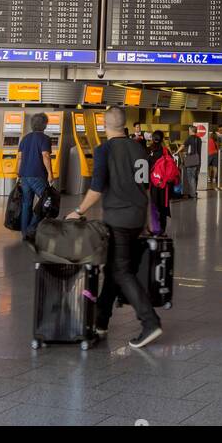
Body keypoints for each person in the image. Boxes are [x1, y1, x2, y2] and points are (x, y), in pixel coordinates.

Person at [69, 106, 162, 349]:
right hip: (136, 218)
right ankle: (100, 322)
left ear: (104, 124)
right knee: (113, 269)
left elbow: (97, 188)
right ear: (124, 123)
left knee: (121, 272)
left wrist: (78, 211)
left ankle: (150, 322)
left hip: (118, 220)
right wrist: (150, 220)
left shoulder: (104, 149)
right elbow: (146, 188)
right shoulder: (139, 148)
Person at [17, 113, 53, 235]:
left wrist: (18, 174)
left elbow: (20, 158)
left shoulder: (25, 138)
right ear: (45, 125)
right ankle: (32, 227)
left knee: (26, 204)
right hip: (37, 176)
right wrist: (50, 173)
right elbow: (46, 156)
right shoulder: (45, 138)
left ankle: (24, 232)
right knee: (47, 200)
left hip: (24, 176)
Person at [147, 131, 172, 236]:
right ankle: (162, 230)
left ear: (152, 139)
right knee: (163, 206)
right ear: (162, 139)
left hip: (152, 184)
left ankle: (153, 228)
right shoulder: (165, 151)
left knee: (153, 206)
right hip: (164, 185)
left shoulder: (148, 151)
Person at [181, 125, 201, 198]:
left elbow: (183, 146)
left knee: (191, 177)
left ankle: (192, 194)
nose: (188, 131)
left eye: (189, 130)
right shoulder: (199, 139)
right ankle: (194, 192)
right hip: (198, 159)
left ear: (191, 130)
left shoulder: (189, 138)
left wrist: (176, 152)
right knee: (195, 177)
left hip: (191, 159)